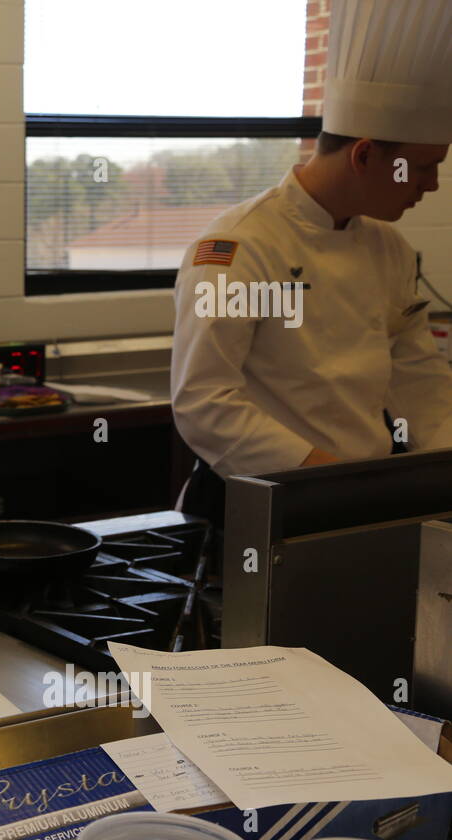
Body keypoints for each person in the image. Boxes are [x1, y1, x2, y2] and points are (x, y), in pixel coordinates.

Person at [171, 0, 452, 526]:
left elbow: (418, 376)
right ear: (364, 155)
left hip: (357, 494)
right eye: (421, 168)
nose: (431, 185)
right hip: (260, 498)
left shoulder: (389, 249)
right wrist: (320, 478)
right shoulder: (240, 247)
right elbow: (205, 401)